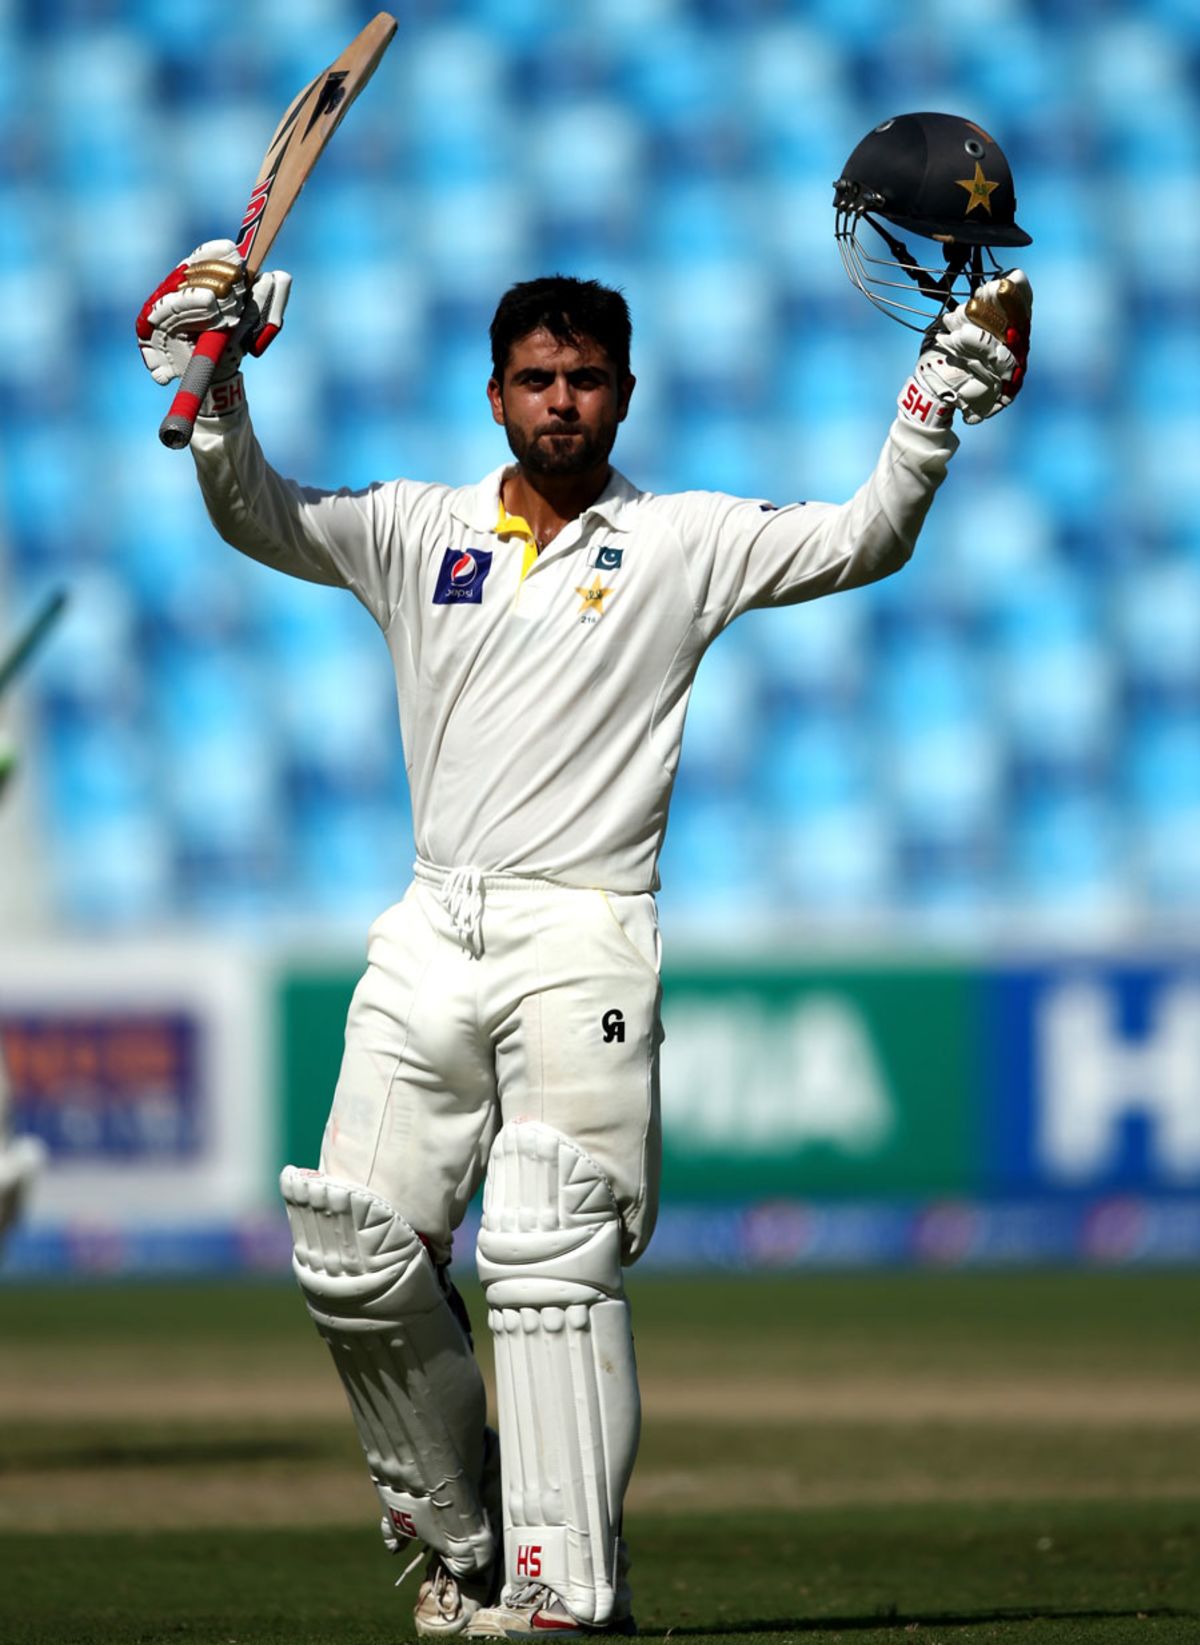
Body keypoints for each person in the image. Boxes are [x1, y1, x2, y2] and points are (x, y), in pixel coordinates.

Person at [137, 111, 1032, 1640]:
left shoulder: (679, 540)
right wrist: (214, 391)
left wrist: (932, 413)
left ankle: (564, 1596)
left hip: (584, 930)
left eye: (588, 378)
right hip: (434, 919)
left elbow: (866, 540)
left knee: (549, 1254)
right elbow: (255, 513)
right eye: (538, 379)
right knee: (353, 1249)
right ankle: (468, 1543)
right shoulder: (415, 531)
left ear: (625, 392)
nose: (563, 400)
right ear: (495, 394)